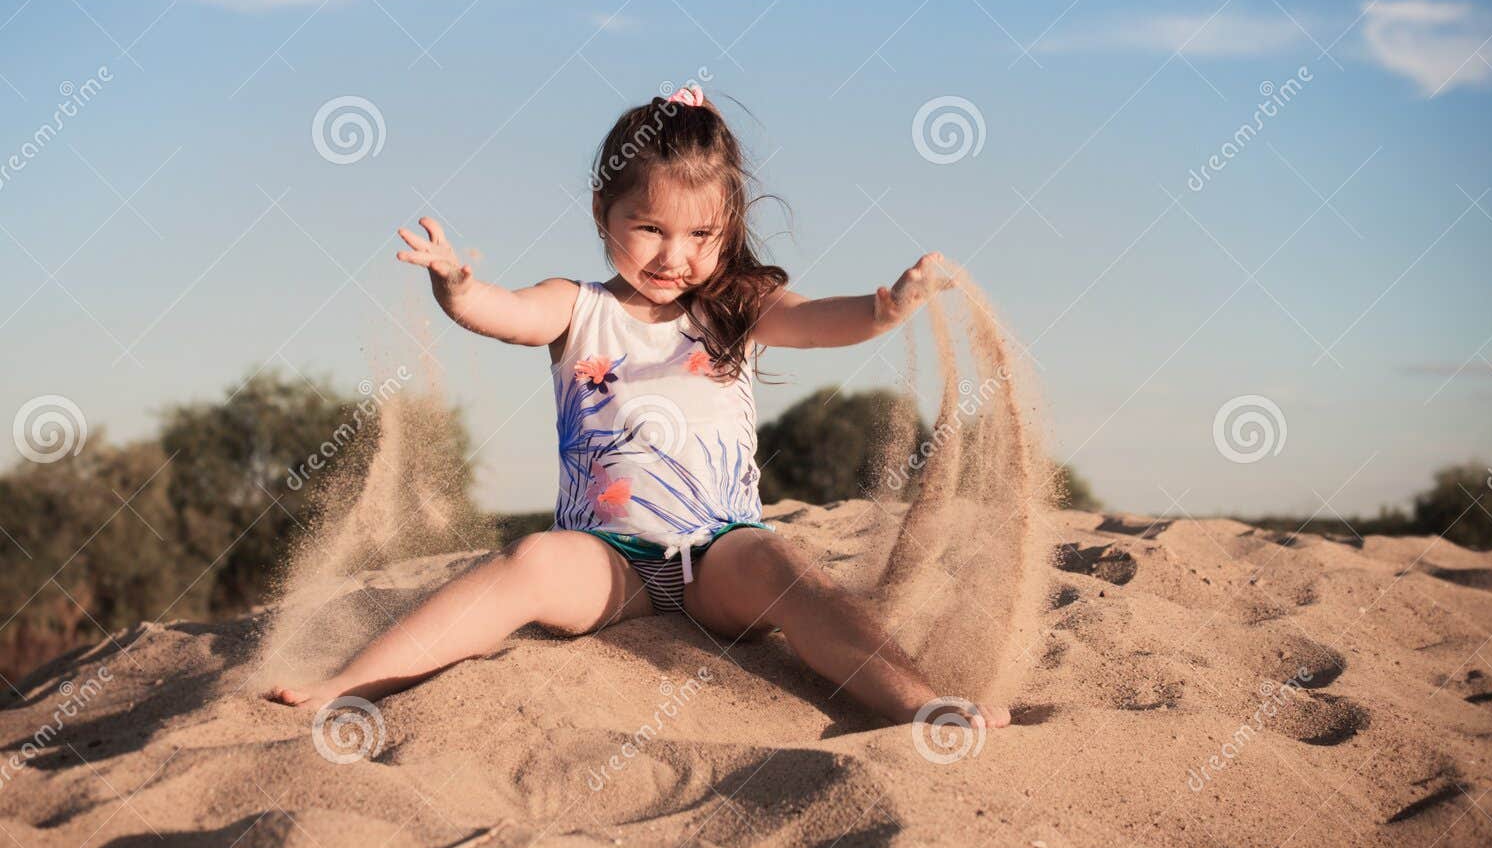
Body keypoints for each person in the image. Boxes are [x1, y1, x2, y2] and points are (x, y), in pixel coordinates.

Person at [265, 81, 1007, 730]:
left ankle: (921, 703)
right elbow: (502, 312)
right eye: (648, 227)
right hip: (606, 562)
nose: (671, 256)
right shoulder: (575, 305)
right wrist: (456, 284)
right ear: (604, 212)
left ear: (727, 229)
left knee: (787, 568)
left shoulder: (736, 308)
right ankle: (350, 685)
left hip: (720, 554)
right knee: (528, 560)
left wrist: (886, 308)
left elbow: (820, 322)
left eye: (699, 235)